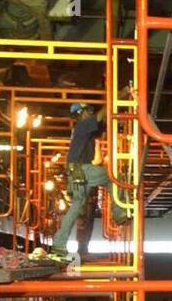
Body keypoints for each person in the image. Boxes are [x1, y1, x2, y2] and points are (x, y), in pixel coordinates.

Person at [50, 103, 130, 257]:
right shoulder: (82, 126)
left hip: (75, 172)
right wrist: (119, 96)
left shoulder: (83, 134)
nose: (90, 114)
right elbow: (100, 116)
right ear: (81, 113)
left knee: (75, 207)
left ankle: (58, 245)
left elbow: (97, 160)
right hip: (82, 170)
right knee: (114, 178)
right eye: (88, 111)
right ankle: (118, 212)